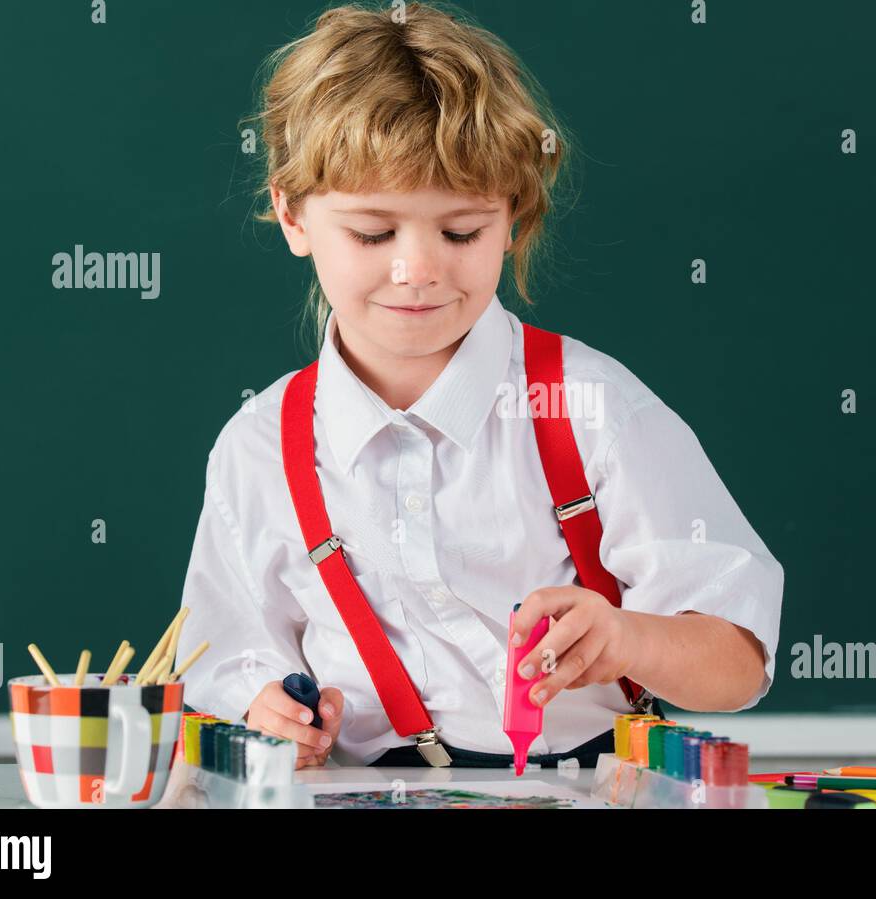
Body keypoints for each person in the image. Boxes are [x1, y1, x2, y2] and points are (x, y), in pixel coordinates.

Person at [178, 1, 783, 769]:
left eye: (461, 231)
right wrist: (267, 714)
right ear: (292, 215)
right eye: (373, 232)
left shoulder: (592, 408)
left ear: (515, 221)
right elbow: (224, 671)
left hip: (584, 782)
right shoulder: (259, 446)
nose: (418, 268)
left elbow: (738, 660)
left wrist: (628, 637)